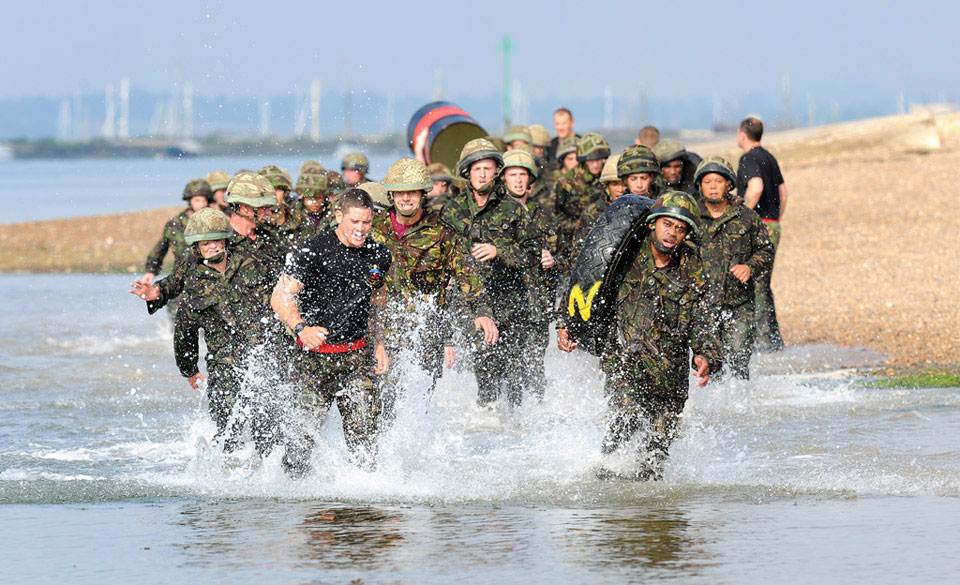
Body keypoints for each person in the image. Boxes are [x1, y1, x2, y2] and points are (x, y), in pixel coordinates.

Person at [558, 191, 722, 481]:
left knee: (654, 458)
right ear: (652, 224)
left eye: (680, 229)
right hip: (624, 362)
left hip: (668, 375)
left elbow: (704, 319)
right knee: (623, 425)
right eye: (667, 225)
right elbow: (586, 281)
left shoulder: (695, 269)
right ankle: (604, 499)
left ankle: (651, 522)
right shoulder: (623, 254)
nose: (672, 233)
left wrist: (705, 354)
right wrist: (569, 326)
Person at [271, 188, 391, 474]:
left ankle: (362, 509)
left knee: (365, 444)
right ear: (339, 216)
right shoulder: (312, 250)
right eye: (354, 222)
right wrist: (301, 328)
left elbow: (377, 300)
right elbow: (279, 297)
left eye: (366, 223)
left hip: (356, 359)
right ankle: (295, 503)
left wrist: (379, 344)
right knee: (299, 446)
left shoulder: (378, 254)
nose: (361, 230)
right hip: (314, 362)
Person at [370, 158, 497, 412]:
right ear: (391, 195)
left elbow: (466, 272)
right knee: (379, 406)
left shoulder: (441, 231)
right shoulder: (375, 229)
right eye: (401, 192)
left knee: (416, 408)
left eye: (412, 192)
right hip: (380, 331)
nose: (406, 198)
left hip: (425, 334)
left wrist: (481, 311)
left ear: (423, 194)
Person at [440, 138, 539, 406]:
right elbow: (443, 255)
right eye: (476, 169)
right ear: (467, 173)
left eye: (487, 169)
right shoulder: (452, 210)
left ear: (496, 171)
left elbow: (533, 254)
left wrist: (500, 251)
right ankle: (487, 422)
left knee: (515, 373)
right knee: (484, 367)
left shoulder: (513, 209)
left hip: (511, 303)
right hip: (472, 302)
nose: (482, 175)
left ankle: (515, 425)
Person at [172, 207, 274, 451]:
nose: (213, 247)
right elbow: (184, 331)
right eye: (206, 244)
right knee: (228, 430)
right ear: (197, 248)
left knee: (268, 428)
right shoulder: (194, 283)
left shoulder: (252, 261)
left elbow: (282, 294)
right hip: (224, 365)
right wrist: (189, 369)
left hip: (261, 356)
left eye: (217, 241)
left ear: (225, 240)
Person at [130, 171, 281, 313]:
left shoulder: (271, 237)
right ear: (246, 208)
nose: (269, 212)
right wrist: (156, 292)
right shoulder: (214, 242)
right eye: (264, 207)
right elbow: (177, 279)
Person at [695, 156, 774, 379]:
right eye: (707, 181)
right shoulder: (691, 217)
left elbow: (766, 250)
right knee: (709, 364)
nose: (712, 187)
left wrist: (749, 267)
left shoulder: (746, 217)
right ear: (700, 185)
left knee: (739, 359)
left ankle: (741, 407)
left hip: (739, 303)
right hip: (702, 304)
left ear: (728, 185)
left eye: (718, 181)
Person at [499, 149, 558, 400]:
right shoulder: (496, 212)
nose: (519, 180)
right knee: (509, 366)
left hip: (538, 302)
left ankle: (536, 419)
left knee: (535, 364)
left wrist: (553, 261)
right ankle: (508, 418)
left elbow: (561, 253)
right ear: (504, 178)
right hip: (506, 301)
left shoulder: (543, 214)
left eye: (523, 174)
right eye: (513, 174)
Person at [736, 117, 788, 351]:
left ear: (741, 135)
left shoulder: (748, 158)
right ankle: (773, 340)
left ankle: (760, 342)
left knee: (754, 283)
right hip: (773, 223)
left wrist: (741, 218)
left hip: (759, 225)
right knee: (763, 284)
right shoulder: (769, 157)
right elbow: (783, 193)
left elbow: (755, 187)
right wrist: (774, 219)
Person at [552, 133, 610, 272]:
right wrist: (578, 225)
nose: (595, 164)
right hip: (570, 238)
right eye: (591, 160)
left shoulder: (608, 178)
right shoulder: (567, 182)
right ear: (583, 160)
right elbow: (553, 214)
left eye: (599, 159)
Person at [142, 178, 213, 284]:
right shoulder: (175, 224)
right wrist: (151, 271)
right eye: (197, 200)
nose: (201, 204)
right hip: (180, 276)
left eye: (204, 200)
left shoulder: (213, 222)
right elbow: (161, 247)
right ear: (190, 201)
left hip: (207, 276)